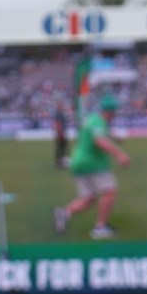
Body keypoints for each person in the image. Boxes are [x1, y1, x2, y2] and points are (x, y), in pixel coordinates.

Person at [53, 92, 130, 240]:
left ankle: (64, 213)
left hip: (79, 163)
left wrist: (115, 136)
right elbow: (99, 140)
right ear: (110, 111)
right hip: (92, 163)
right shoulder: (98, 122)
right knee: (109, 191)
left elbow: (100, 133)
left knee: (89, 198)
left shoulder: (93, 119)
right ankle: (100, 227)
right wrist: (119, 154)